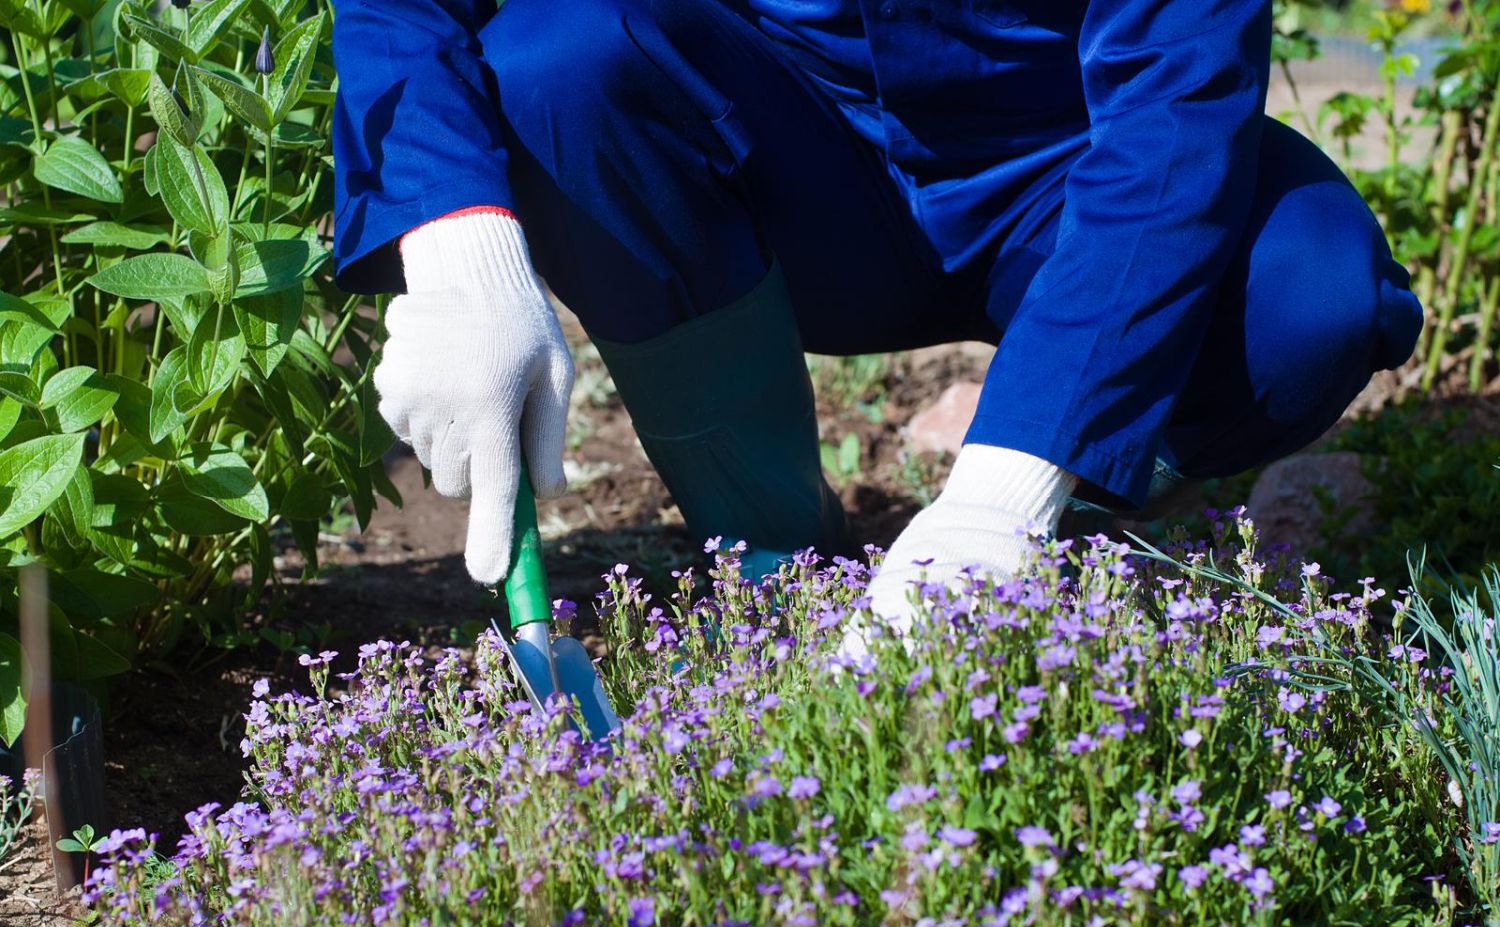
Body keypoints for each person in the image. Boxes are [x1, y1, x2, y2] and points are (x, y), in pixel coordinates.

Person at [329, 0, 1422, 635]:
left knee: (1311, 294)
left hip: (1069, 163)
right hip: (782, 150)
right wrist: (456, 243)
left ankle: (1048, 537)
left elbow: (1178, 99)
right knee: (560, 65)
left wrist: (1009, 489)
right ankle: (776, 548)